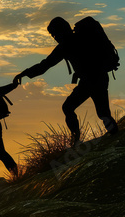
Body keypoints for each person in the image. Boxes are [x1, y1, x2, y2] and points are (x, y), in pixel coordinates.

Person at [13, 16, 119, 145]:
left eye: (54, 34)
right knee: (96, 112)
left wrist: (24, 73)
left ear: (61, 31)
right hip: (97, 78)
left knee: (76, 109)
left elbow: (45, 65)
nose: (54, 38)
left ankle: (80, 140)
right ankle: (110, 137)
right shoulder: (78, 39)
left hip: (92, 80)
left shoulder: (66, 46)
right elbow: (45, 64)